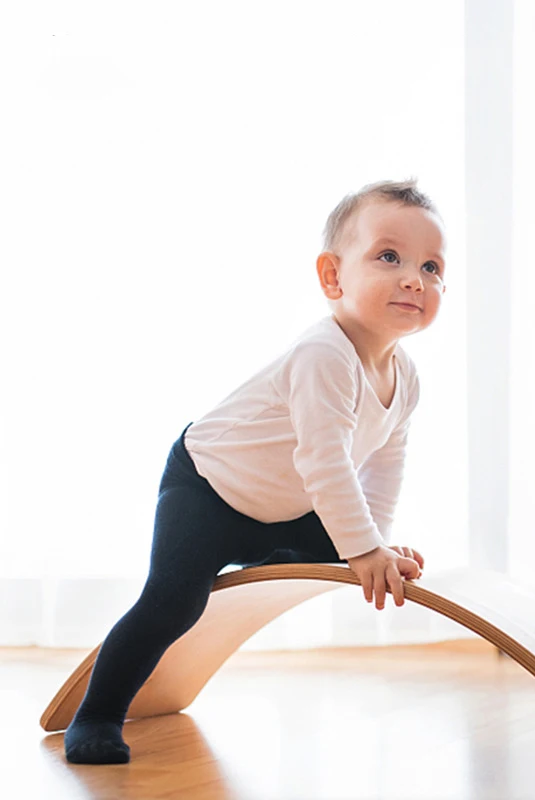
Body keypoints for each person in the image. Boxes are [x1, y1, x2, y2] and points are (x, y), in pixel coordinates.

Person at [64, 177, 448, 764]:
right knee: (173, 601)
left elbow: (382, 464)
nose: (413, 278)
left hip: (286, 503)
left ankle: (272, 552)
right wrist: (365, 549)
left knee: (342, 547)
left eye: (432, 266)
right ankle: (97, 714)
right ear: (332, 277)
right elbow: (326, 463)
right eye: (389, 257)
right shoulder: (325, 353)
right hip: (210, 487)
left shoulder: (407, 377)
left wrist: (376, 541)